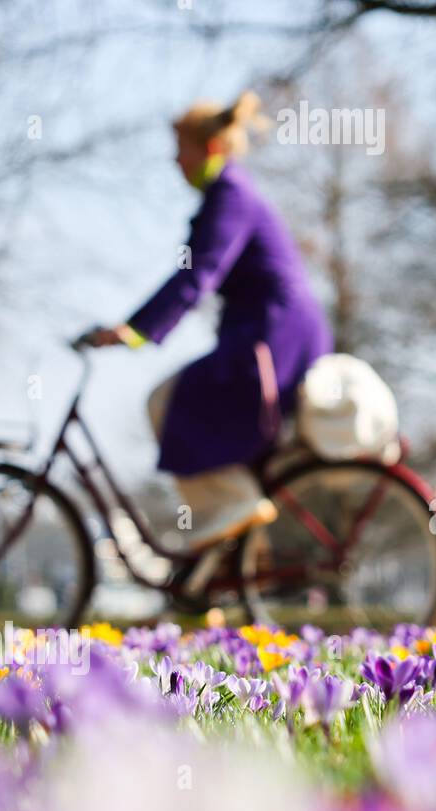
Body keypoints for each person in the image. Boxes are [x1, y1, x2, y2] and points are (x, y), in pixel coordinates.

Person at [87, 90, 332, 545]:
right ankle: (221, 550)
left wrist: (137, 330)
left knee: (166, 401)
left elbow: (197, 273)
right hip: (269, 331)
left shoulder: (230, 196)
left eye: (181, 150)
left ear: (211, 149)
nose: (175, 162)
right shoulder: (228, 196)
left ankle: (231, 505)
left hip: (272, 335)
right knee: (207, 425)